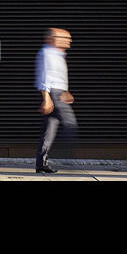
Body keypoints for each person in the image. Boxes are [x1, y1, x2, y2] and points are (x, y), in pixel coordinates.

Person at [34, 27, 77, 174]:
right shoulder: (48, 53)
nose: (68, 41)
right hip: (53, 94)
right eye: (64, 38)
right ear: (52, 39)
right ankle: (64, 155)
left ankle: (42, 163)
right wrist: (46, 98)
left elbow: (57, 76)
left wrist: (65, 91)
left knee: (49, 131)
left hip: (58, 92)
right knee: (70, 124)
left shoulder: (57, 54)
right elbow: (45, 76)